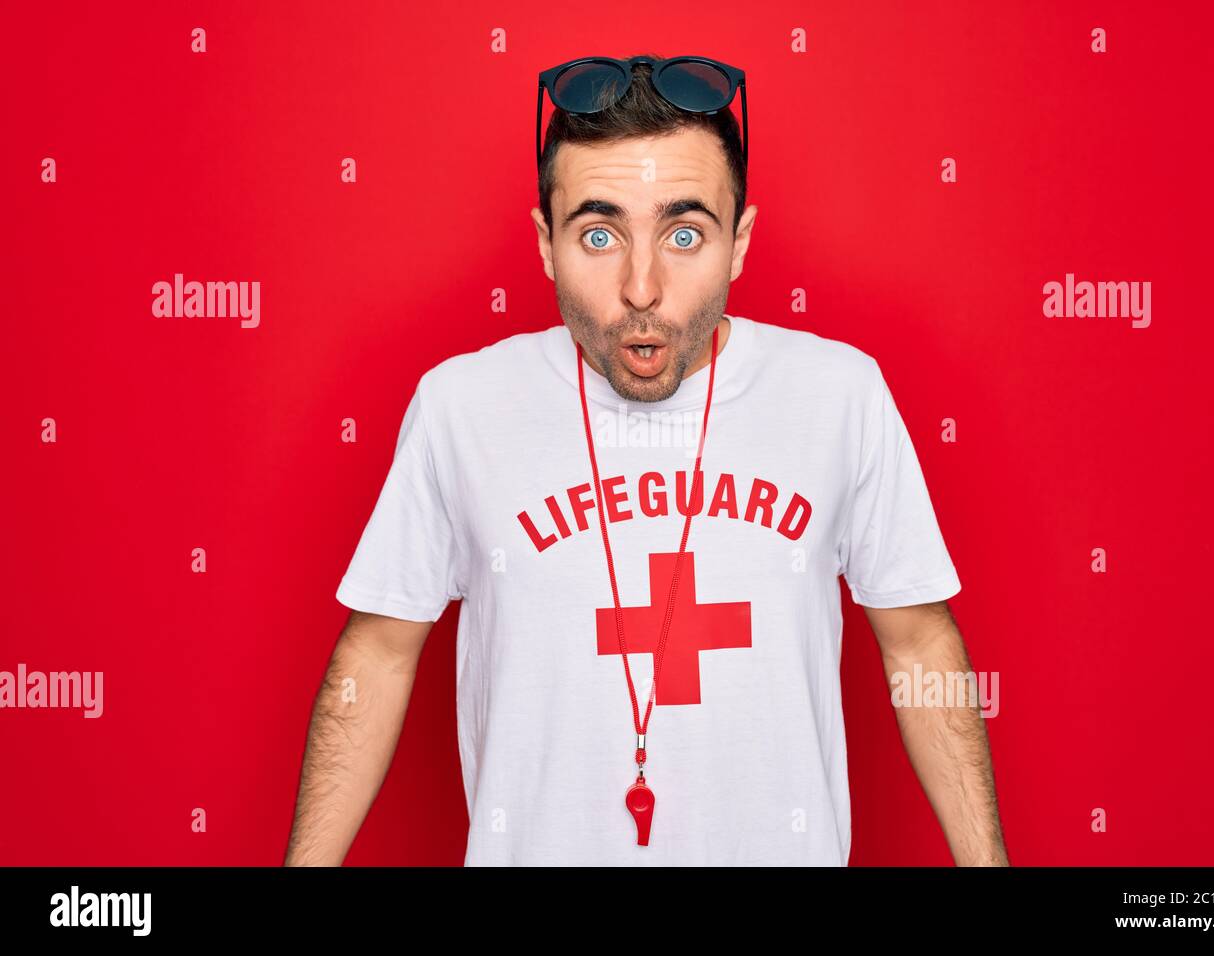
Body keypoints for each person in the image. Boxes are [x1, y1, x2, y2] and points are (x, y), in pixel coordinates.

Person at [285, 52, 1009, 867]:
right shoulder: (462, 405)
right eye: (598, 234)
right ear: (545, 245)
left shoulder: (842, 395)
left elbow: (917, 641)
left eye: (685, 233)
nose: (641, 286)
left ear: (740, 243)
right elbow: (378, 654)